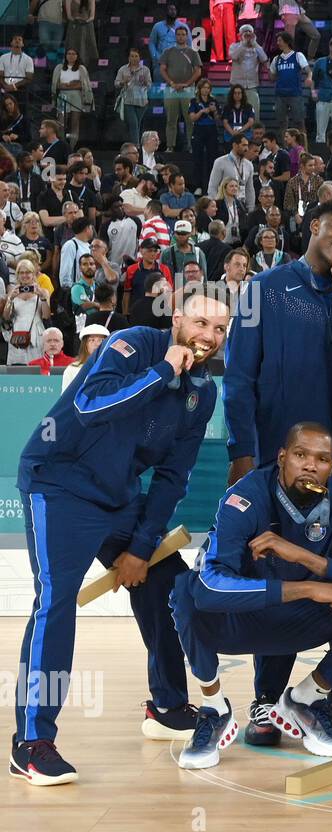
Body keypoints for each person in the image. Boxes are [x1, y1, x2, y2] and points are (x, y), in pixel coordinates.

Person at [11, 296, 230, 785]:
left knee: (167, 581)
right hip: (59, 483)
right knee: (56, 600)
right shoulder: (132, 344)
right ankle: (31, 742)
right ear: (176, 321)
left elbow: (174, 476)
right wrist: (161, 373)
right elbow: (91, 407)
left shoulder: (203, 390)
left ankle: (169, 707)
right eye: (200, 322)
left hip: (117, 496)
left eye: (220, 329)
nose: (209, 336)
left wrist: (140, 546)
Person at [224, 197, 332, 742]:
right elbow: (240, 378)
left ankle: (330, 692)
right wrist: (242, 454)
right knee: (279, 576)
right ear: (313, 227)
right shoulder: (264, 290)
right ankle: (267, 701)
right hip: (274, 461)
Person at [171, 423, 332, 768]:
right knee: (185, 593)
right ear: (282, 458)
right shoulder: (244, 497)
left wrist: (307, 559)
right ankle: (214, 708)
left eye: (322, 459)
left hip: (303, 623)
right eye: (300, 455)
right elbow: (210, 588)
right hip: (244, 621)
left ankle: (306, 699)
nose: (310, 466)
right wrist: (308, 587)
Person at [160, 24, 202, 153]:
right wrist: (171, 83)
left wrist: (187, 84)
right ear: (175, 36)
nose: (180, 37)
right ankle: (170, 146)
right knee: (171, 120)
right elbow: (162, 69)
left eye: (183, 34)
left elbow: (198, 72)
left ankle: (190, 146)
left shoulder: (193, 52)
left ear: (187, 36)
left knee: (190, 120)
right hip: (171, 89)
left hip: (188, 90)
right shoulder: (167, 52)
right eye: (178, 34)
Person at [114, 48, 150, 147]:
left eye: (136, 56)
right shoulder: (123, 69)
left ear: (139, 58)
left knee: (136, 124)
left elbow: (150, 85)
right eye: (132, 56)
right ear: (128, 58)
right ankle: (136, 146)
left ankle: (132, 146)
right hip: (128, 101)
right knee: (133, 124)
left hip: (142, 101)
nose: (134, 58)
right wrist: (123, 82)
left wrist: (145, 82)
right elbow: (116, 83)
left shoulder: (145, 70)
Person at [60, 320, 107, 391]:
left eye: (100, 340)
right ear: (85, 345)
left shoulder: (111, 368)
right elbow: (65, 397)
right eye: (92, 340)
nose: (97, 344)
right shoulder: (72, 369)